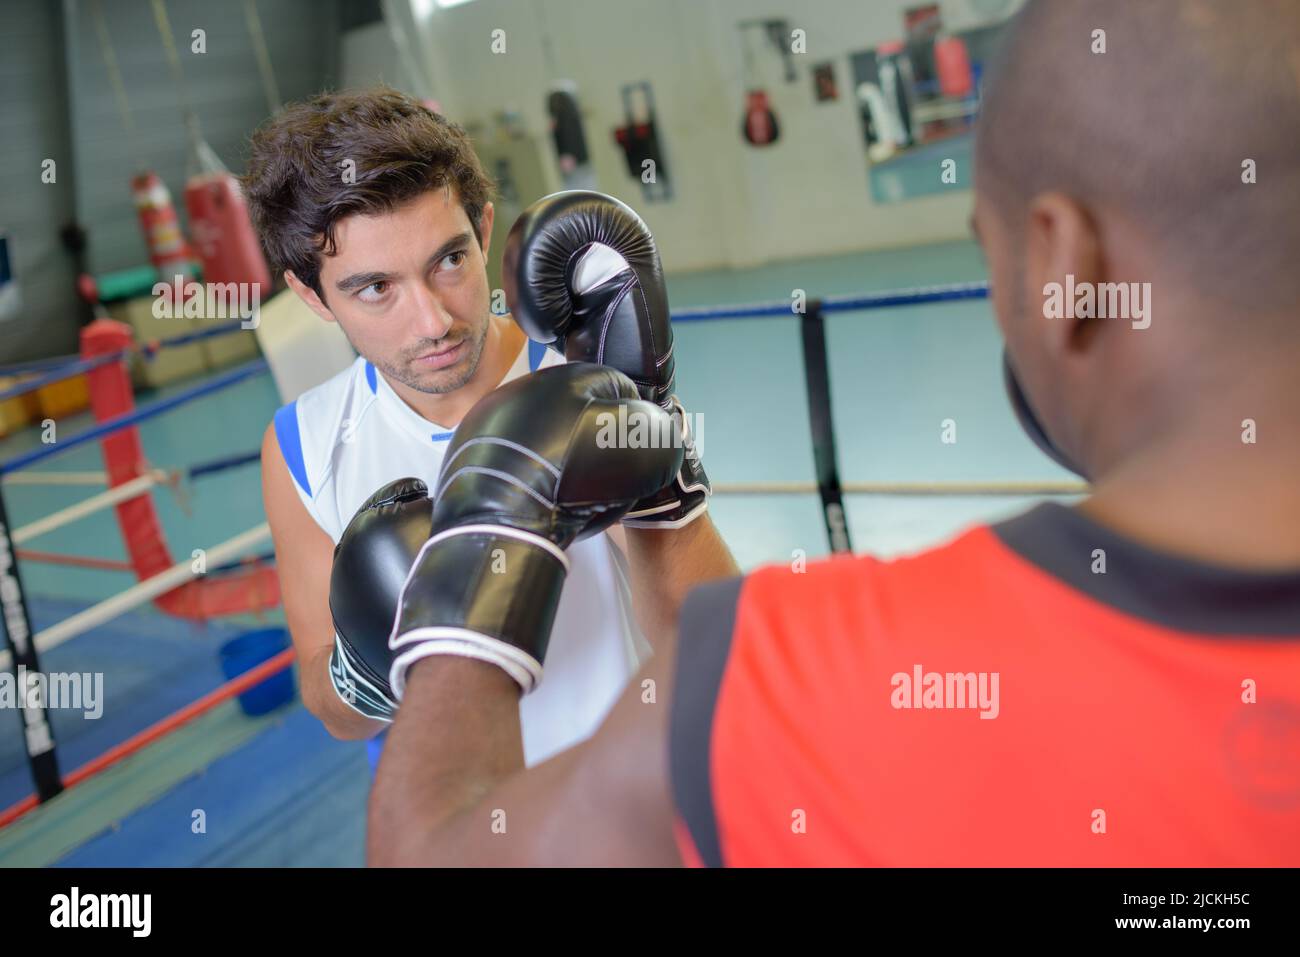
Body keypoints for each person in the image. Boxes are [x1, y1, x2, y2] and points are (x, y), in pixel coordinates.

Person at [366, 0, 1300, 866]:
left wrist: (486, 531)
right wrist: (666, 493)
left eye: (994, 252)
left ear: (1067, 266)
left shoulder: (829, 675)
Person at [248, 86, 735, 774]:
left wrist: (659, 450)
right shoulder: (303, 444)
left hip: (632, 798)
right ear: (311, 295)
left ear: (482, 230)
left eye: (447, 261)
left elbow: (711, 643)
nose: (432, 321)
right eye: (374, 288)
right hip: (463, 827)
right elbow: (332, 711)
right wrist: (368, 657)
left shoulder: (583, 379)